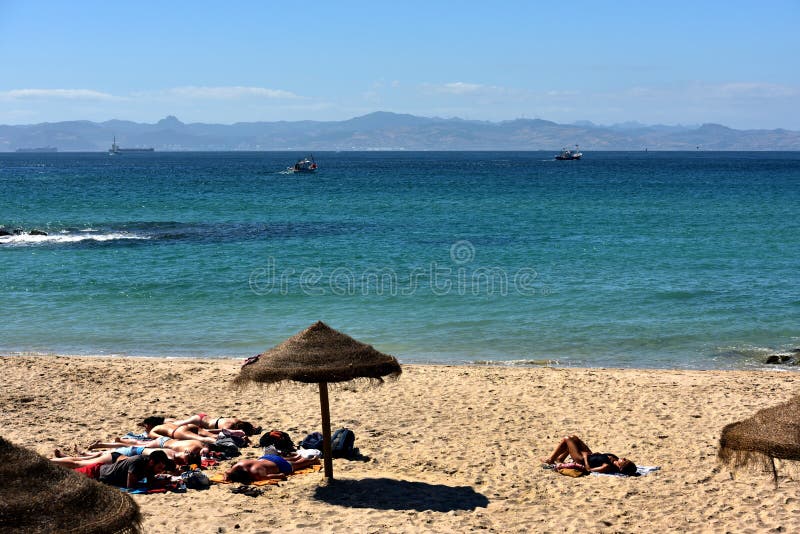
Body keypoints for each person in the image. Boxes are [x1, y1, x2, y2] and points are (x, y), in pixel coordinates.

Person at [542, 435, 637, 476]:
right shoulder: (615, 458)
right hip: (590, 455)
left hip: (581, 459)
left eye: (624, 461)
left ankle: (551, 459)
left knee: (567, 439)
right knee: (574, 438)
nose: (624, 458)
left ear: (621, 467)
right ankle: (560, 458)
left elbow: (588, 469)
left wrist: (585, 457)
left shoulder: (607, 466)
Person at [224, 453, 318, 483]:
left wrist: (279, 476)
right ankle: (296, 456)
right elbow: (227, 473)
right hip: (267, 457)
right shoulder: (238, 465)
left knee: (297, 465)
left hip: (278, 464)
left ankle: (312, 460)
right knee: (292, 460)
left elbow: (280, 475)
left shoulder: (255, 473)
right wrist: (226, 477)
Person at [169, 413, 261, 436]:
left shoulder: (237, 420)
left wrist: (254, 428)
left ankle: (169, 420)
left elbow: (248, 425)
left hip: (204, 417)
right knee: (175, 425)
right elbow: (215, 431)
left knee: (180, 422)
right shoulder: (228, 426)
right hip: (199, 421)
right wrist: (203, 431)